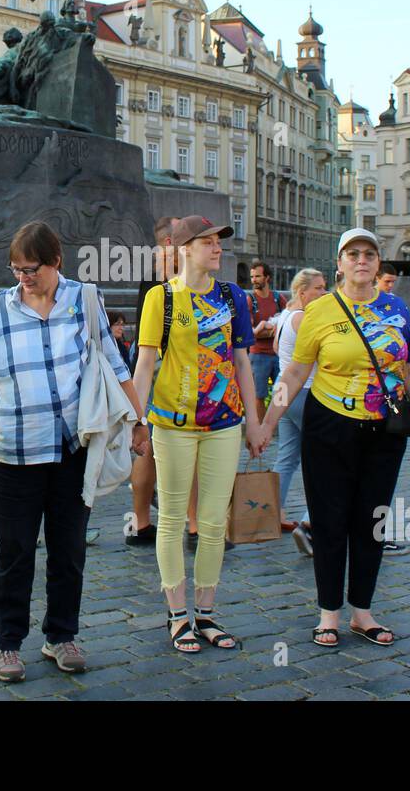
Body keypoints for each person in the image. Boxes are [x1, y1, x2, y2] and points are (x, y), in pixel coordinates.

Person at [0, 222, 147, 682]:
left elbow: (116, 362)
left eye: (32, 269)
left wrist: (139, 423)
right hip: (14, 452)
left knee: (68, 551)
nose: (24, 278)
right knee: (15, 552)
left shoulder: (85, 299)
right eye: (16, 270)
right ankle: (7, 644)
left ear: (57, 261)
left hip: (70, 449)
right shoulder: (0, 308)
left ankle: (61, 636)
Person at [258, 228, 410, 647]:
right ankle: (329, 613)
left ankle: (362, 611)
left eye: (369, 254)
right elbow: (294, 372)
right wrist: (268, 422)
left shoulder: (396, 308)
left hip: (384, 431)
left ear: (378, 263)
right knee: (330, 522)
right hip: (329, 427)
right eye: (353, 254)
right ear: (340, 263)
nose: (361, 260)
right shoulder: (320, 311)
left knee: (371, 520)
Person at [132, 216, 261, 653]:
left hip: (225, 422)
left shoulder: (233, 296)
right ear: (182, 248)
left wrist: (255, 421)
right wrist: (137, 419)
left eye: (218, 241)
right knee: (170, 518)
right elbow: (145, 364)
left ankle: (205, 612)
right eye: (206, 242)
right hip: (173, 423)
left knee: (211, 522)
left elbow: (242, 362)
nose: (216, 248)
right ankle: (176, 614)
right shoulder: (161, 298)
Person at [127, 216, 178, 546]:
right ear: (171, 244)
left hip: (151, 361)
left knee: (149, 451)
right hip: (164, 366)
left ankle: (140, 523)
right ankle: (188, 524)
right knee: (163, 447)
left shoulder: (152, 273)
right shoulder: (168, 277)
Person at [270, 268, 326, 544]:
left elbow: (275, 347)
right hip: (303, 391)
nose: (324, 293)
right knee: (323, 458)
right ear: (302, 292)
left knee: (287, 456)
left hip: (282, 389)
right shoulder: (304, 318)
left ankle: (272, 513)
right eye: (318, 288)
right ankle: (310, 520)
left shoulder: (285, 315)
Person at [246, 261, 286, 423]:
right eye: (252, 277)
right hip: (258, 356)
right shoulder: (250, 300)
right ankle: (262, 430)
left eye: (258, 276)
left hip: (279, 354)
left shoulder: (278, 298)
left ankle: (281, 427)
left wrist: (265, 330)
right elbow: (250, 333)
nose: (254, 280)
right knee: (259, 395)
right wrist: (272, 330)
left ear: (267, 277)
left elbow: (287, 324)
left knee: (281, 395)